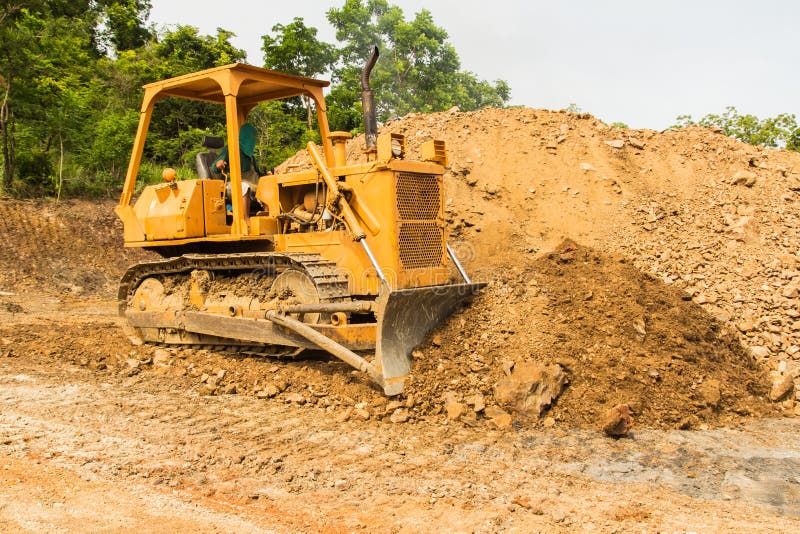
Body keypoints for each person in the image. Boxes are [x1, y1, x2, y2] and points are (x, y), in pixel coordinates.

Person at [212, 123, 263, 221]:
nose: (253, 139)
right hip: (232, 184)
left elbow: (257, 172)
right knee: (244, 187)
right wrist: (218, 164)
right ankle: (245, 220)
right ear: (245, 136)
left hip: (251, 182)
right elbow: (215, 167)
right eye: (251, 136)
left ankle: (268, 215)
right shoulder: (231, 149)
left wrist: (267, 176)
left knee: (267, 186)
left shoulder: (250, 155)